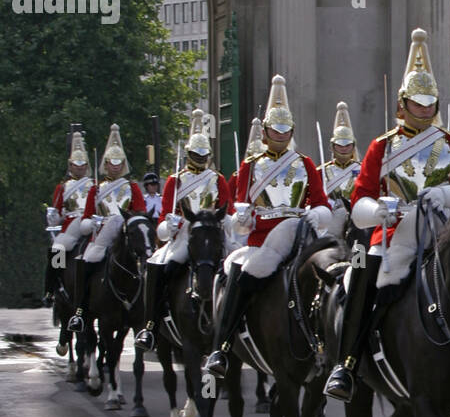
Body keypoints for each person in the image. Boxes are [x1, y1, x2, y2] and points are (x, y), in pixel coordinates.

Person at [324, 28, 450, 402]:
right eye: (418, 101)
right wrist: (378, 210)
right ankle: (347, 364)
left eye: (431, 101)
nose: (426, 108)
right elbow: (361, 197)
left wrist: (442, 193)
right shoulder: (382, 146)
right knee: (361, 278)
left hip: (443, 232)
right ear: (403, 103)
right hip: (393, 234)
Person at [204, 76, 331, 378]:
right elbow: (240, 212)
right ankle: (221, 347)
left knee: (333, 273)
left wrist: (318, 214)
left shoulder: (305, 164)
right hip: (263, 242)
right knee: (240, 273)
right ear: (265, 131)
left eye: (286, 130)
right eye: (276, 129)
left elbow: (322, 201)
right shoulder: (250, 166)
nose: (281, 134)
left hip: (301, 236)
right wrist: (242, 218)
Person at [135, 110, 231, 350]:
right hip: (184, 235)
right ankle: (150, 326)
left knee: (237, 267)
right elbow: (164, 215)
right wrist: (170, 225)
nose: (199, 158)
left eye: (203, 154)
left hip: (211, 233)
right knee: (158, 267)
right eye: (195, 154)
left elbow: (226, 211)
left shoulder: (217, 179)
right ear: (188, 153)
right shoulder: (174, 180)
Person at [68, 126, 146, 331]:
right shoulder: (95, 188)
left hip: (126, 231)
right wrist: (91, 222)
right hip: (102, 232)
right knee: (81, 258)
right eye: (112, 162)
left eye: (119, 162)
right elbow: (85, 216)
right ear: (106, 163)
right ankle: (78, 309)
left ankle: (149, 313)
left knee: (147, 258)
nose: (115, 166)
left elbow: (139, 211)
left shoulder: (132, 187)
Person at [44, 130, 94, 310]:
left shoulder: (94, 186)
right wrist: (53, 217)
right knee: (57, 250)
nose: (79, 168)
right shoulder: (63, 187)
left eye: (82, 165)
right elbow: (57, 213)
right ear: (70, 166)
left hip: (91, 224)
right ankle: (52, 287)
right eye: (76, 165)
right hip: (71, 225)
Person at [319, 101, 361, 243]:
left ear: (353, 146)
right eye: (339, 145)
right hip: (330, 220)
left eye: (347, 145)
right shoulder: (321, 171)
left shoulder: (362, 169)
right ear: (332, 146)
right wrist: (328, 204)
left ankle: (361, 264)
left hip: (357, 219)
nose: (344, 148)